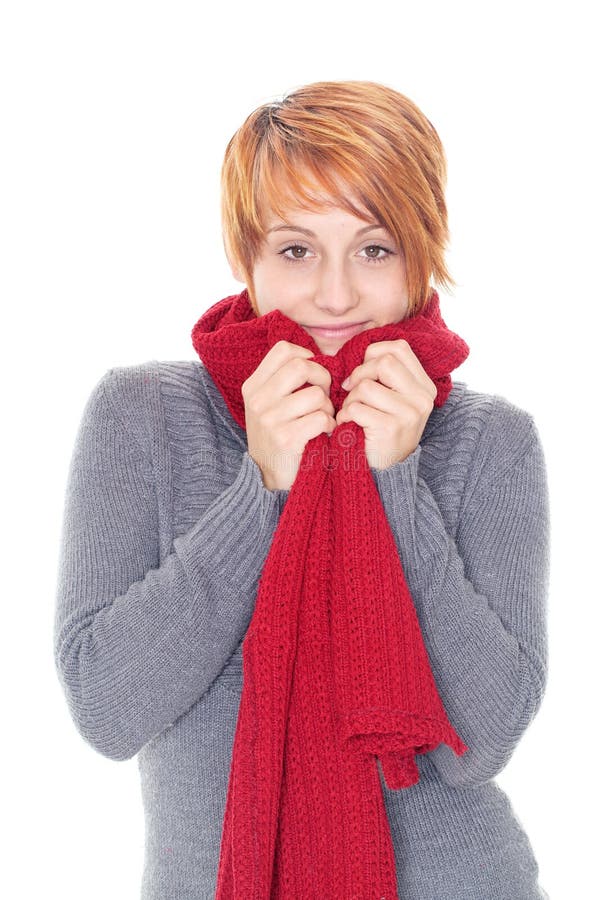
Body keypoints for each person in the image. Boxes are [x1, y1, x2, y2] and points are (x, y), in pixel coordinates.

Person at [53, 80, 551, 899]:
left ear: (423, 255)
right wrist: (261, 487)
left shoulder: (490, 440)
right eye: (295, 250)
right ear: (245, 256)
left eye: (375, 248)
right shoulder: (142, 416)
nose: (335, 295)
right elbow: (107, 709)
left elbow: (483, 738)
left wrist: (393, 483)